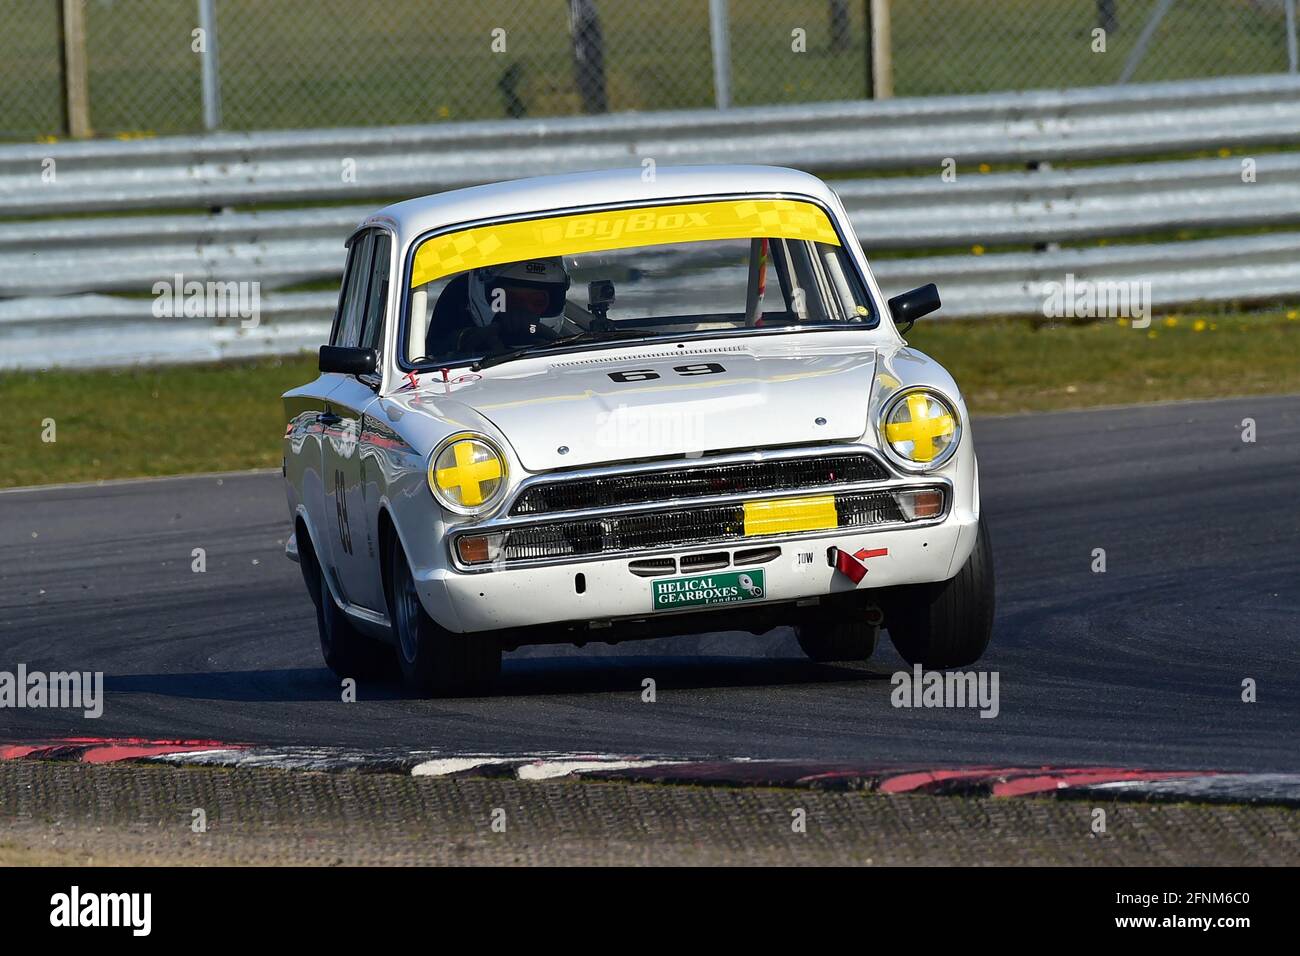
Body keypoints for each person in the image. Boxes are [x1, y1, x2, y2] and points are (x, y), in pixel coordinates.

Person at [454, 257, 572, 354]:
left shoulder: (578, 347)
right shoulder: (454, 345)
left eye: (537, 302)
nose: (523, 314)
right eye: (511, 301)